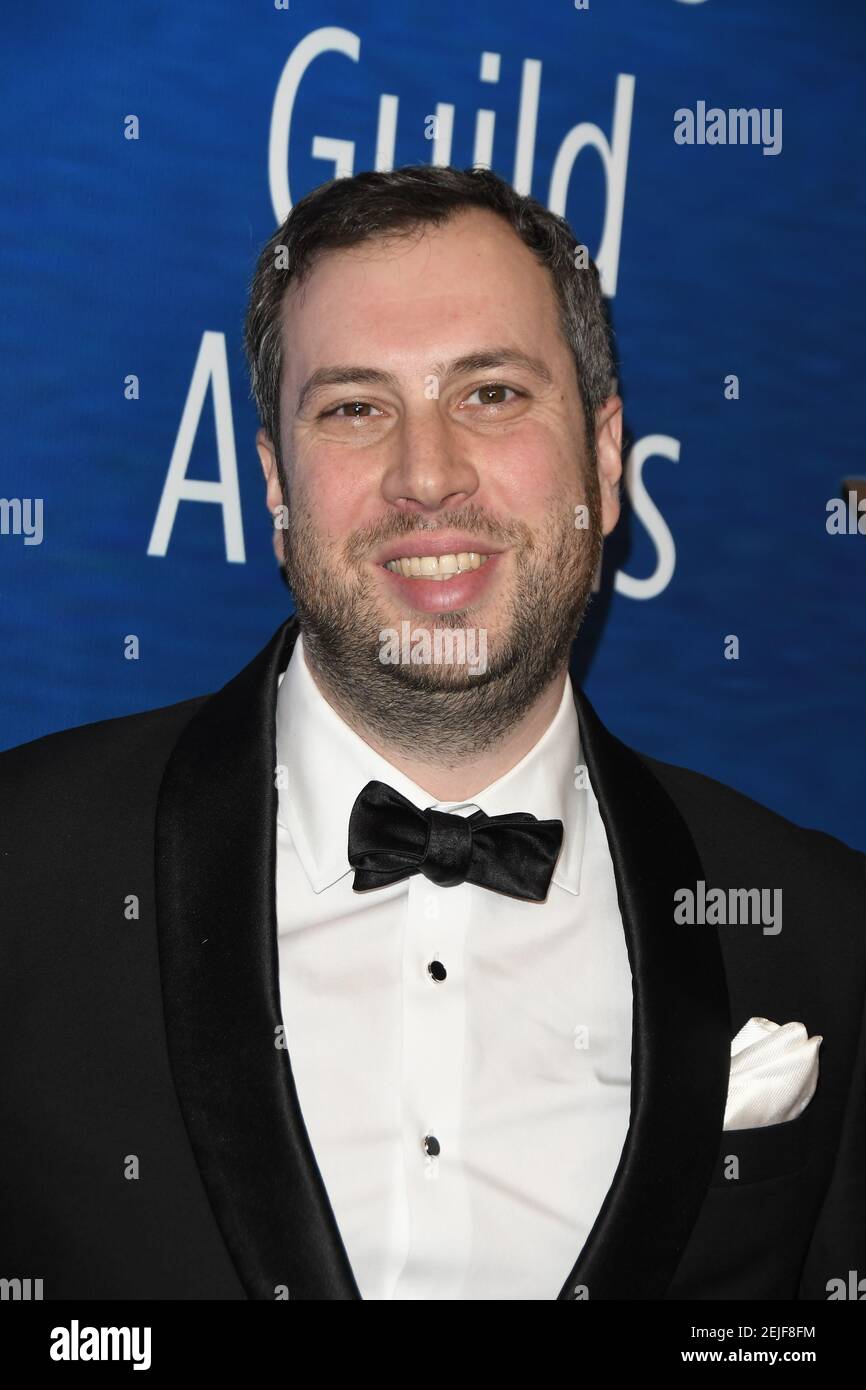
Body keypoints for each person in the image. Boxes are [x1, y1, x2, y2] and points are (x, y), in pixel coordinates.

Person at [1, 166, 863, 1301]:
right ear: (272, 484)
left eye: (491, 394)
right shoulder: (23, 868)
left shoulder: (820, 929)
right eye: (354, 408)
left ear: (605, 465)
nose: (426, 477)